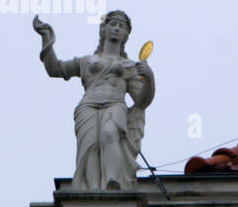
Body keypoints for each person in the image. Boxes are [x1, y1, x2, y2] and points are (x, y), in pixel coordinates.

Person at [33, 10, 154, 190]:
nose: (116, 29)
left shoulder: (129, 66)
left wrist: (150, 78)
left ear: (126, 35)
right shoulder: (87, 61)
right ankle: (92, 189)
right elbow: (55, 69)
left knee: (109, 133)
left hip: (115, 104)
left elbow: (142, 101)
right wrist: (47, 41)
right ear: (103, 29)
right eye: (112, 24)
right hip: (88, 106)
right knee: (90, 146)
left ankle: (113, 181)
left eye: (121, 26)